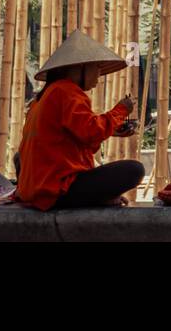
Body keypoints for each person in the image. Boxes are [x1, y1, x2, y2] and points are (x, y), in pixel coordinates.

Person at [16, 30, 143, 210]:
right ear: (79, 68)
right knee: (134, 170)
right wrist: (121, 110)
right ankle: (92, 198)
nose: (99, 75)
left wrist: (111, 130)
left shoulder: (43, 98)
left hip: (34, 189)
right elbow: (91, 132)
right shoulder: (66, 91)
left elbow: (76, 138)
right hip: (57, 190)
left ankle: (94, 197)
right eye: (96, 68)